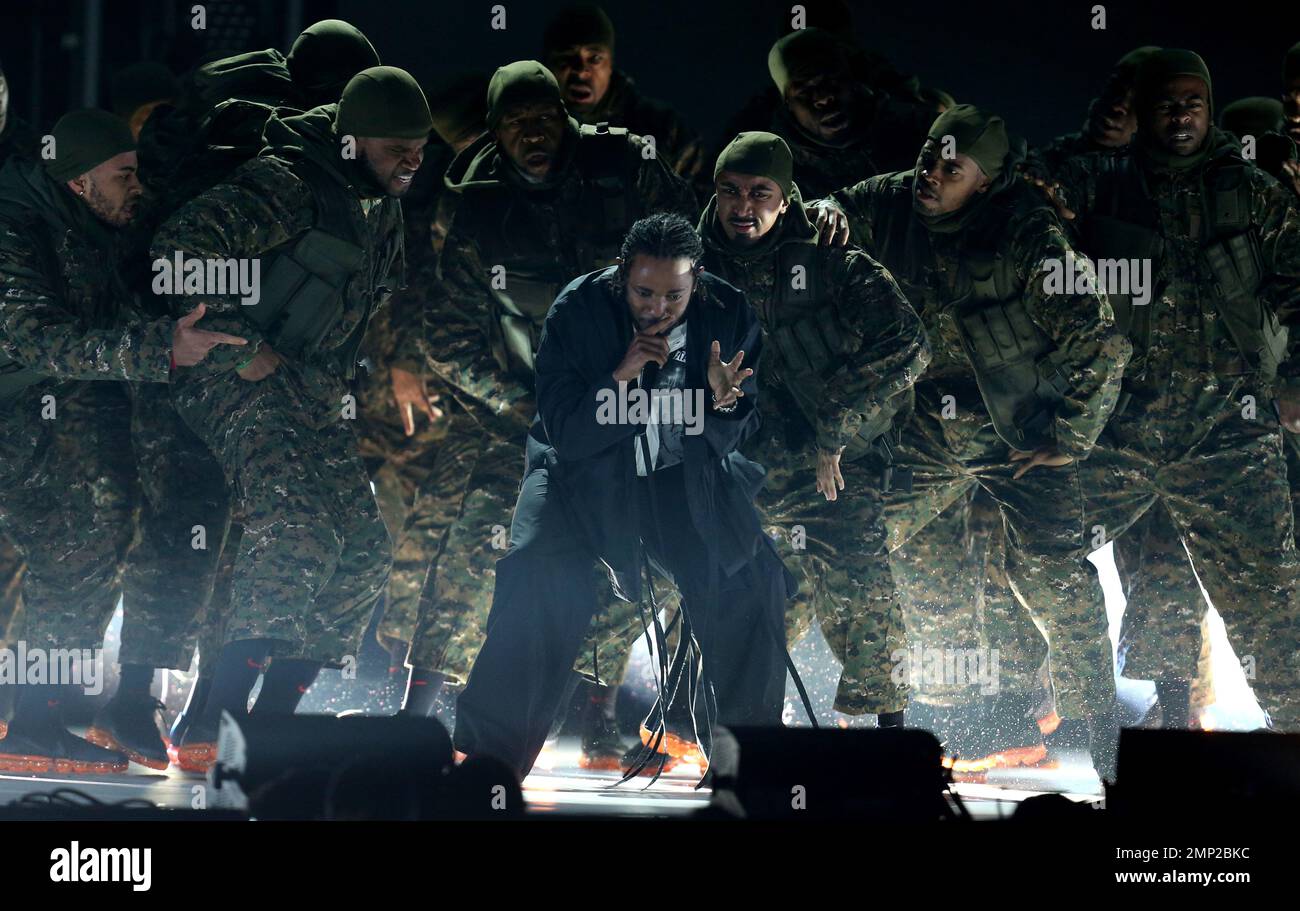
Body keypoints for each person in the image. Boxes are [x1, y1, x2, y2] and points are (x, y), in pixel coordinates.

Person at [819, 105, 1132, 778]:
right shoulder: (893, 200)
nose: (930, 173)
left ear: (984, 182)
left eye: (950, 168)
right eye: (930, 155)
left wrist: (1071, 436)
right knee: (853, 536)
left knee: (1056, 575)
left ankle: (1106, 742)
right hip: (924, 425)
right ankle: (886, 714)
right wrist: (818, 210)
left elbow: (1101, 338)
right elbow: (826, 207)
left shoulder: (1026, 234)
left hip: (1015, 426)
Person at [409, 61, 696, 769]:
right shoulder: (476, 208)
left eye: (544, 118)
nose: (532, 134)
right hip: (526, 418)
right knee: (494, 557)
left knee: (651, 557)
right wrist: (521, 405)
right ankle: (431, 729)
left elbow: (699, 253)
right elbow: (443, 334)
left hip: (635, 410)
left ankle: (596, 713)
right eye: (516, 122)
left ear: (566, 120)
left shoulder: (627, 171)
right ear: (496, 133)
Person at [151, 66, 432, 771]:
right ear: (351, 140)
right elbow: (177, 255)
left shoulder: (379, 204)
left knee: (365, 546)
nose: (412, 159)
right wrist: (239, 341)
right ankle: (213, 710)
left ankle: (271, 720)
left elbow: (378, 299)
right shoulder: (287, 183)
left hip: (309, 388)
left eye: (419, 146)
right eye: (395, 146)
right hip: (229, 372)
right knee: (298, 525)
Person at [454, 213, 793, 780]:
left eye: (673, 295)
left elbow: (737, 425)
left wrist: (723, 403)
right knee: (538, 576)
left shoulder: (728, 312)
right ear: (620, 276)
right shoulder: (578, 310)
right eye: (642, 292)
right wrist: (619, 379)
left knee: (749, 579)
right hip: (579, 476)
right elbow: (567, 432)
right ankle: (490, 761)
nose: (657, 308)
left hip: (676, 478)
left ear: (698, 281)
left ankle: (748, 764)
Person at [1053, 49, 1300, 737]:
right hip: (1121, 426)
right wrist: (1093, 142)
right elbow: (1025, 187)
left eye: (1194, 99)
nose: (1182, 113)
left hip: (1227, 429)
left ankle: (1295, 729)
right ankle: (1122, 715)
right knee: (1051, 538)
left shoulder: (1249, 191)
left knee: (1267, 595)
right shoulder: (1104, 181)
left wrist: (1296, 380)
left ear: (1211, 106)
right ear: (1141, 110)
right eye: (1166, 101)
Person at [0, 109, 240, 771]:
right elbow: (32, 336)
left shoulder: (93, 223)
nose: (139, 185)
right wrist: (160, 347)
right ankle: (30, 724)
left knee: (87, 546)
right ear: (79, 182)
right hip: (15, 415)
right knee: (74, 553)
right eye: (123, 173)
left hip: (32, 414)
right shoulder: (14, 229)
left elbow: (109, 312)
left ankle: (36, 722)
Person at [696, 132, 929, 726]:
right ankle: (711, 727)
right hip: (734, 460)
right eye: (730, 191)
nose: (743, 206)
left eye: (760, 192)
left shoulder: (829, 260)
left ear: (785, 197)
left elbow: (909, 344)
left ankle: (890, 733)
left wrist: (837, 424)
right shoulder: (689, 266)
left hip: (831, 464)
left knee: (861, 580)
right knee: (721, 590)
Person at [542, 3, 705, 184]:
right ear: (548, 65)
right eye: (566, 58)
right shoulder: (523, 132)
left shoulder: (666, 130)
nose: (581, 72)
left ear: (610, 65)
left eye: (595, 58)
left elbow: (698, 202)